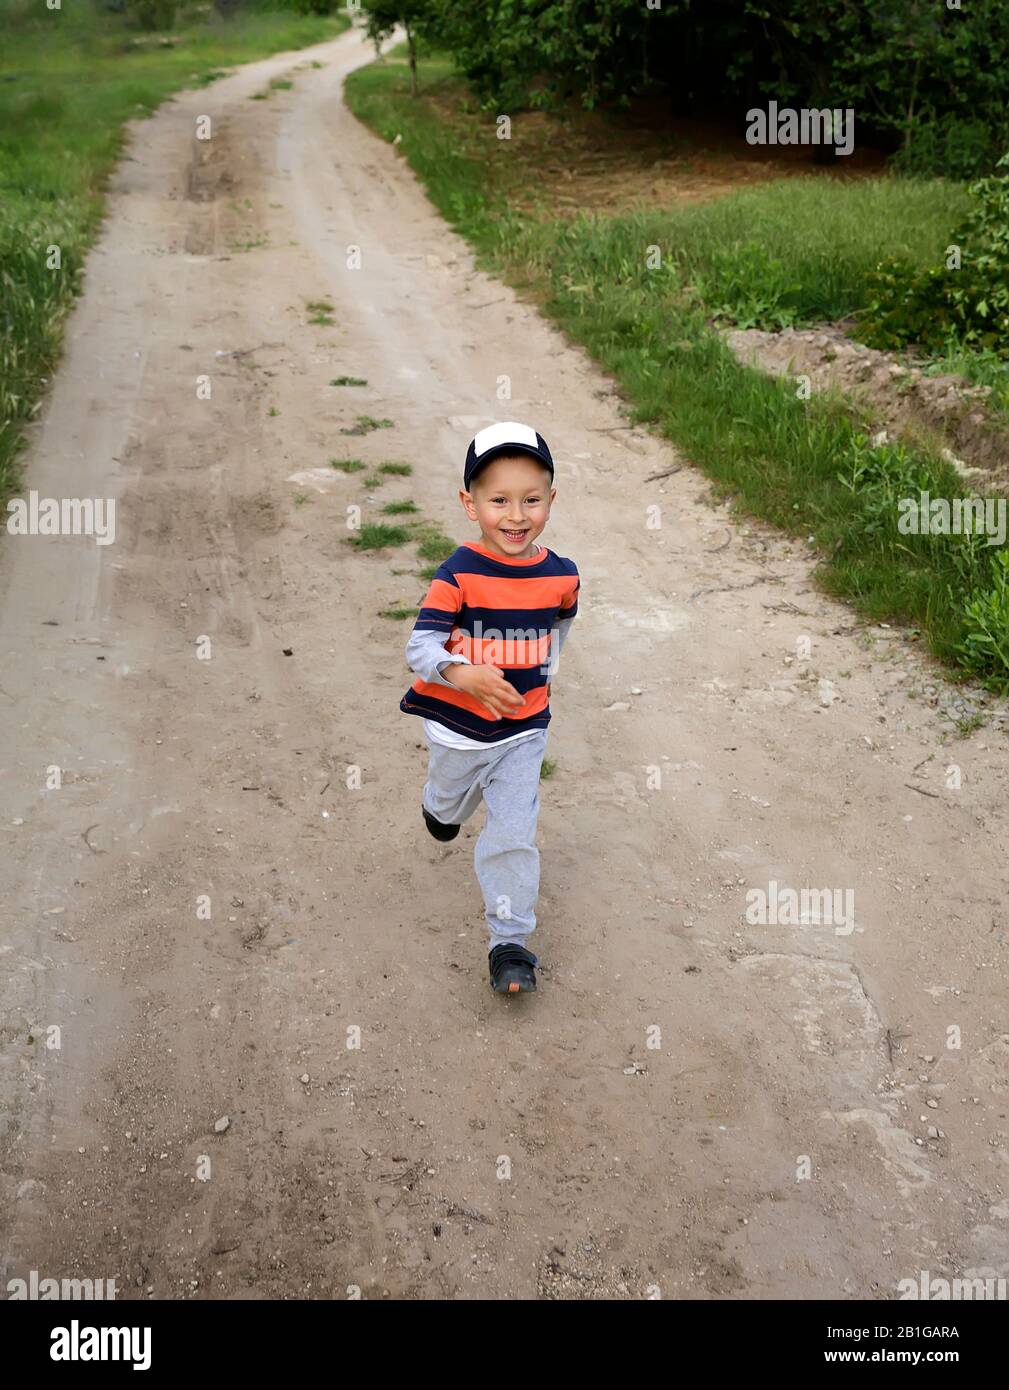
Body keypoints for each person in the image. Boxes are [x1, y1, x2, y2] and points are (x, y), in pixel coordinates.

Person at [400, 422, 580, 994]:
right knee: (450, 806)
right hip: (456, 729)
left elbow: (561, 626)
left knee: (511, 835)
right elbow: (420, 647)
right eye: (498, 500)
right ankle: (441, 807)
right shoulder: (458, 573)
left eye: (531, 499)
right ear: (469, 504)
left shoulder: (562, 576)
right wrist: (463, 672)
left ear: (551, 500)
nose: (516, 515)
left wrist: (540, 680)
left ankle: (510, 943)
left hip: (524, 731)